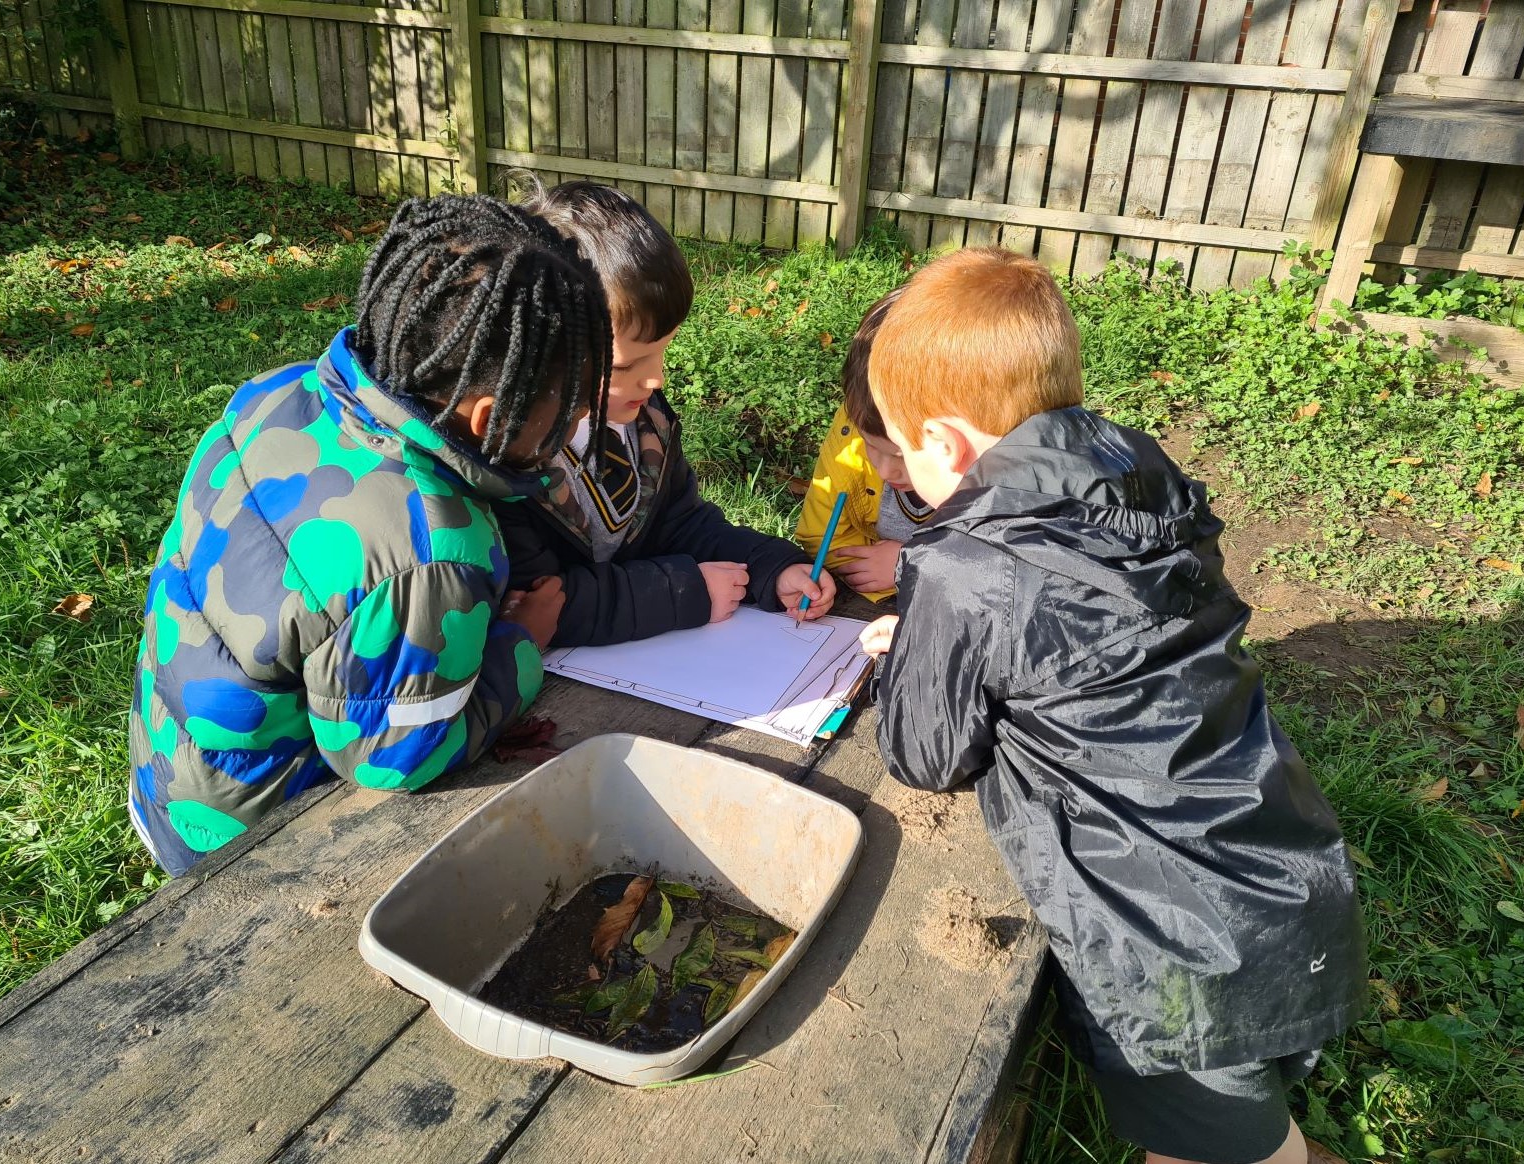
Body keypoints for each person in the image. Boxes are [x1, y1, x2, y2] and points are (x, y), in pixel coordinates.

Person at [858, 248, 1363, 1164]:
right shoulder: (1137, 470)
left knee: (1220, 1150)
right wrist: (946, 643)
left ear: (944, 443)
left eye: (901, 449)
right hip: (1265, 852)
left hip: (1170, 930)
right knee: (1243, 1123)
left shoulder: (965, 567)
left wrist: (917, 656)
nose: (906, 486)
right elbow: (1087, 636)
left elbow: (926, 758)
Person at [128, 194, 610, 875]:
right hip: (253, 844)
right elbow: (394, 757)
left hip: (168, 777)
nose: (570, 438)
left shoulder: (274, 392)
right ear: (484, 419)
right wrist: (522, 644)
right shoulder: (431, 551)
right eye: (564, 419)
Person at [497, 180, 834, 646]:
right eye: (626, 364)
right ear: (543, 351)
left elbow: (681, 523)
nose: (656, 380)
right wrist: (683, 593)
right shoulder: (509, 462)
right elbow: (539, 601)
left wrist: (769, 565)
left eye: (663, 352)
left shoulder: (645, 422)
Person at [794, 286, 935, 602]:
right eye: (872, 446)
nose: (885, 470)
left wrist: (911, 566)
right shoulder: (856, 424)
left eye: (900, 453)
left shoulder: (1002, 468)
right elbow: (822, 537)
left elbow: (1000, 564)